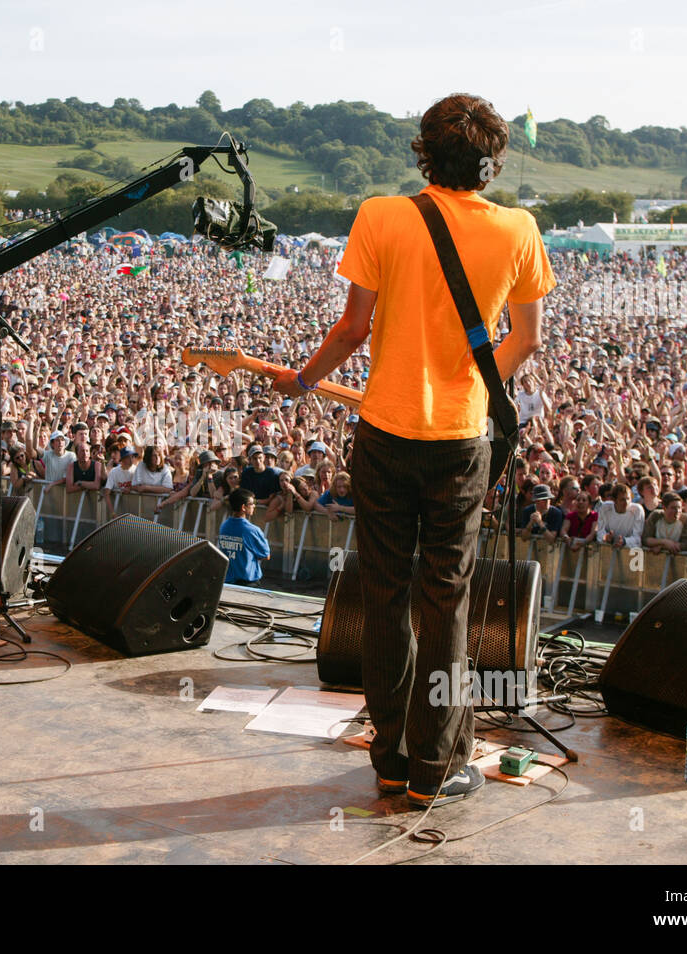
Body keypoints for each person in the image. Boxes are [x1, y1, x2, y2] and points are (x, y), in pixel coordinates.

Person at [276, 93, 554, 806]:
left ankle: (391, 760)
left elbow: (352, 329)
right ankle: (438, 767)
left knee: (385, 596)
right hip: (460, 441)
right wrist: (473, 375)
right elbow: (526, 339)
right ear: (492, 164)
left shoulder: (381, 214)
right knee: (446, 605)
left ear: (423, 154)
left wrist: (303, 379)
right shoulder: (519, 229)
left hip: (386, 432)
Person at [217, 488, 270, 585]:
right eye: (251, 503)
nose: (254, 506)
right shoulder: (252, 530)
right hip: (248, 582)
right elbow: (266, 555)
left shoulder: (224, 526)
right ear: (243, 507)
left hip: (227, 581)